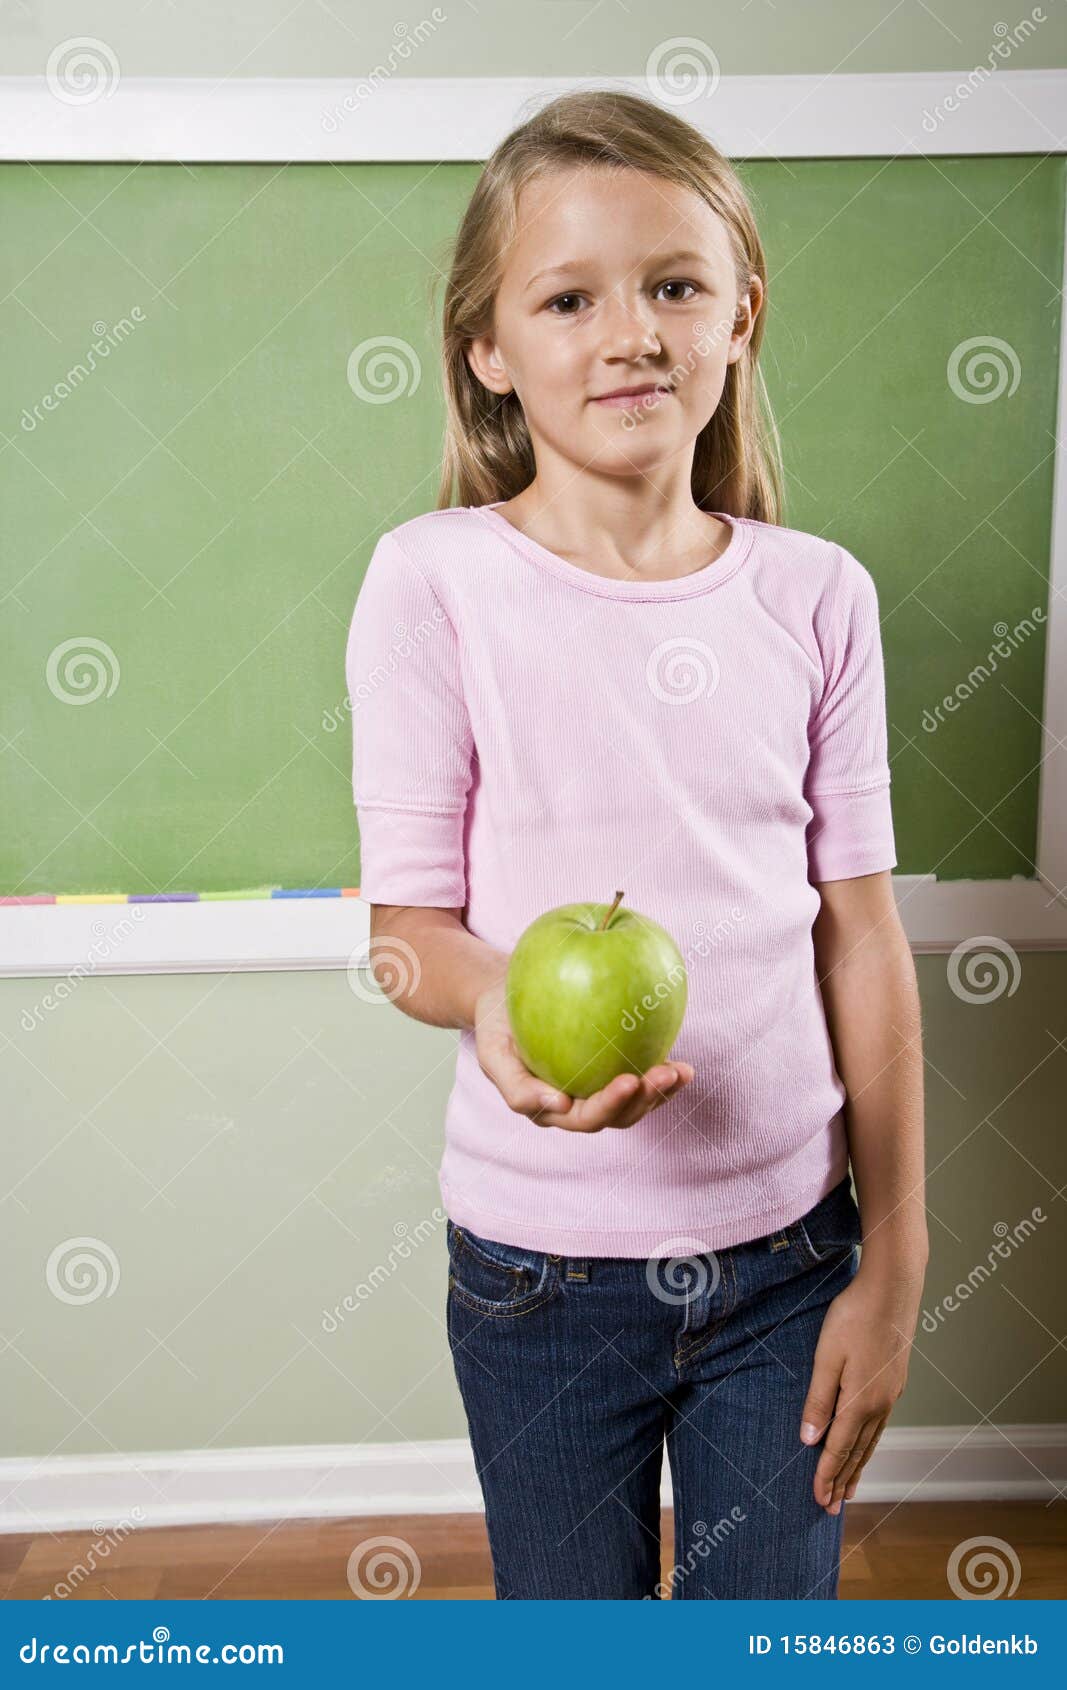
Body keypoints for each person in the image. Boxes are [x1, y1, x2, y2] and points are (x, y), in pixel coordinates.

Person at [345, 88, 928, 1600]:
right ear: (488, 347)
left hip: (789, 1265)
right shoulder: (433, 583)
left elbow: (861, 935)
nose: (633, 336)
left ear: (742, 315)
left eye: (675, 285)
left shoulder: (817, 595)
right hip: (537, 1280)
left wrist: (899, 1260)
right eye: (568, 299)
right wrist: (494, 1001)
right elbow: (406, 935)